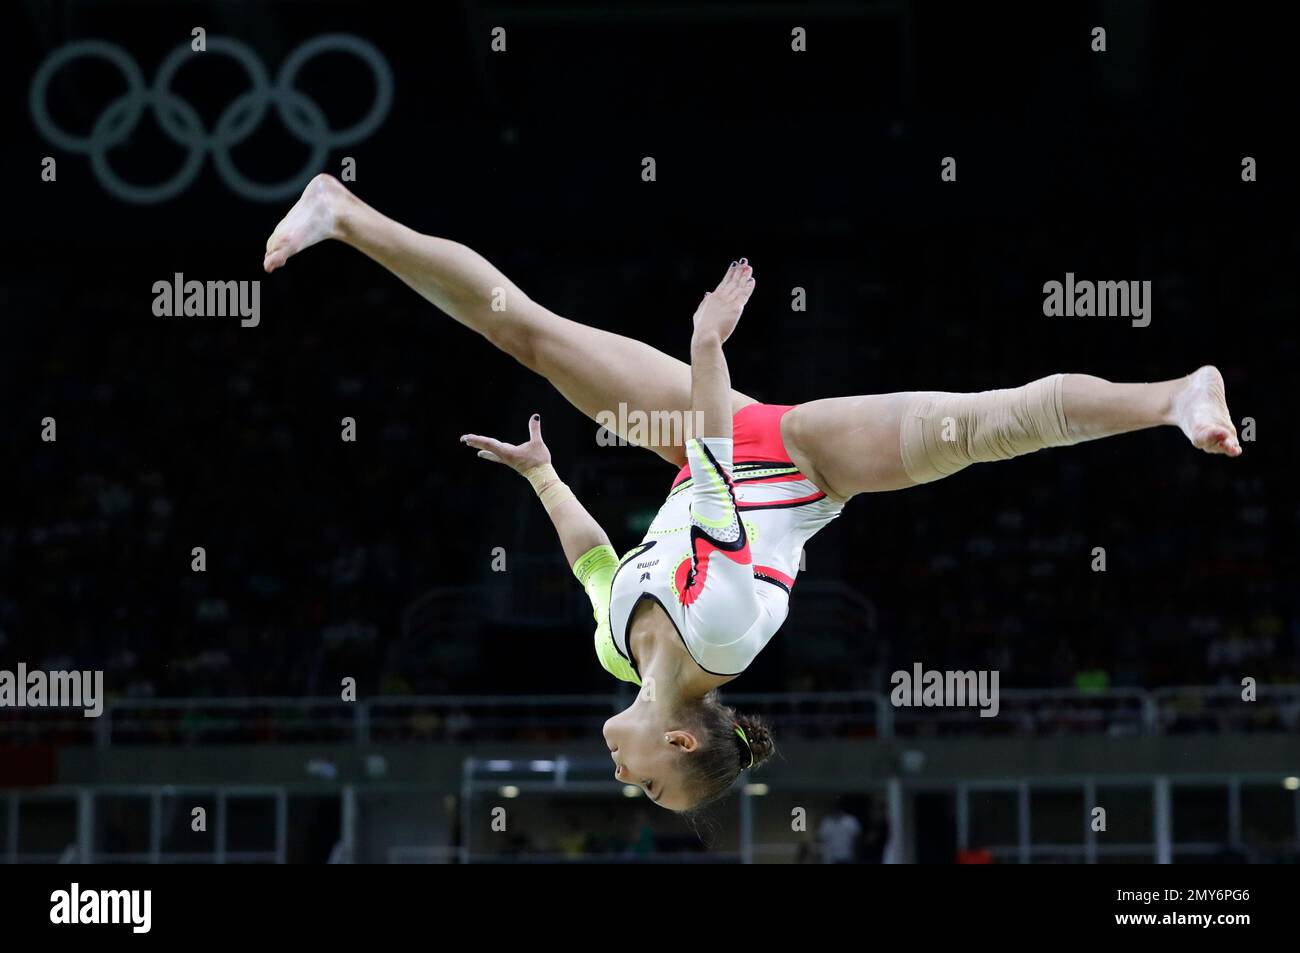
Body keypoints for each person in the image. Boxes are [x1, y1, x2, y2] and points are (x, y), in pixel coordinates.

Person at [264, 174, 1241, 813]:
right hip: (802, 461)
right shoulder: (723, 635)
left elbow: (595, 562)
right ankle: (1171, 396)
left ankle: (344, 214)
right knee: (988, 426)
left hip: (705, 448)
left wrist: (546, 475)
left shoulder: (617, 650)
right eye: (648, 782)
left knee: (524, 332)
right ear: (683, 737)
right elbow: (725, 475)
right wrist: (703, 350)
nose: (624, 781)